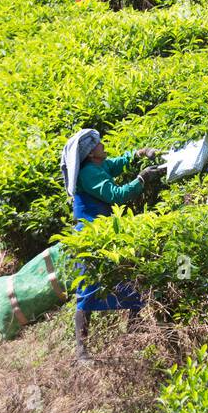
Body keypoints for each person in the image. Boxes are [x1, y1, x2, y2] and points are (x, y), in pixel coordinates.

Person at [59, 129, 165, 362]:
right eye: (98, 143)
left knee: (132, 286)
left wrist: (139, 153)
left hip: (106, 236)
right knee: (87, 291)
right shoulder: (88, 174)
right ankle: (81, 351)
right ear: (89, 153)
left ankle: (132, 340)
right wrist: (142, 179)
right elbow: (117, 195)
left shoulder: (100, 165)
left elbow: (117, 164)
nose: (102, 145)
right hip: (89, 238)